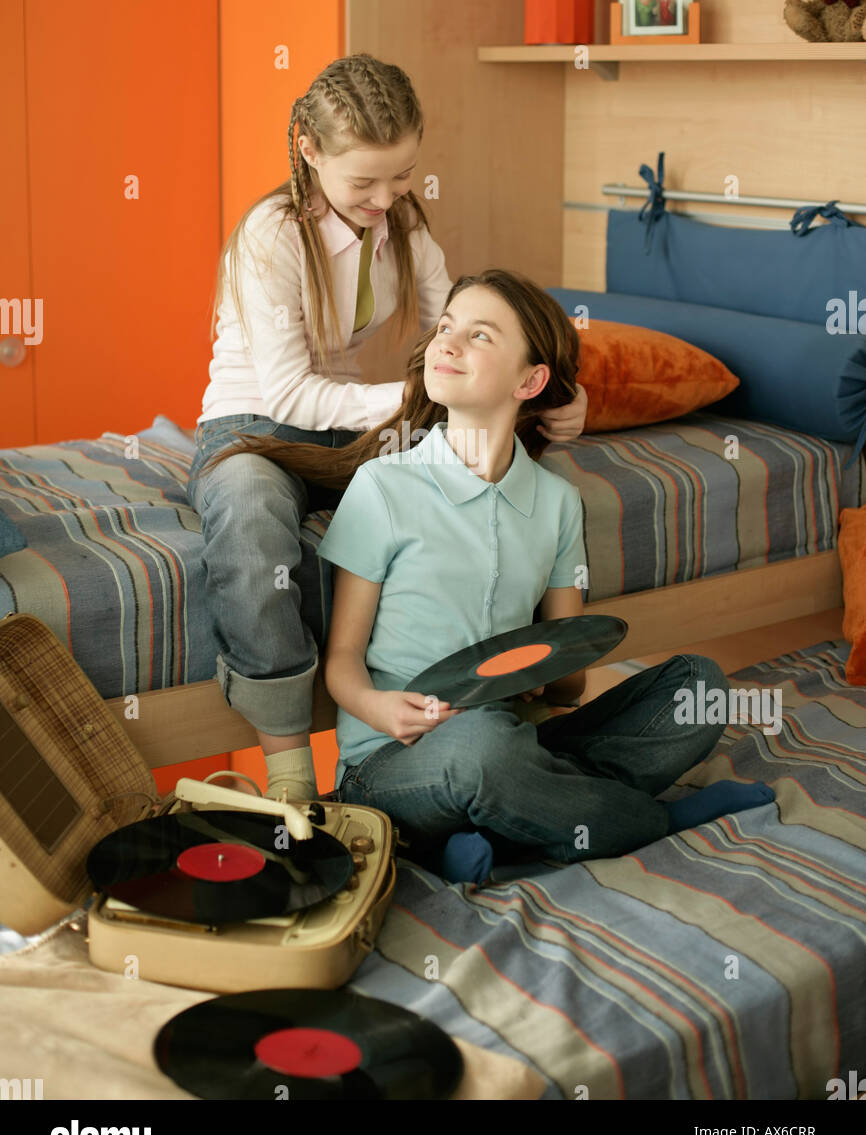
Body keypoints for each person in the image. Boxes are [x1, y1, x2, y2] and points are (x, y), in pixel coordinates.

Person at [204, 269, 775, 885]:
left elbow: (570, 680)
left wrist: (541, 676)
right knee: (482, 751)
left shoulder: (557, 502)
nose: (447, 343)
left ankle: (495, 830)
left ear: (530, 382)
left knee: (698, 685)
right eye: (446, 328)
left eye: (479, 335)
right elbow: (343, 660)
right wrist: (379, 708)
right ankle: (646, 821)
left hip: (508, 739)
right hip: (389, 762)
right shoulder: (383, 487)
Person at [188, 54, 588, 802]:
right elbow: (289, 394)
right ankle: (290, 776)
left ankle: (503, 703)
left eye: (401, 176)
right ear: (309, 149)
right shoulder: (272, 236)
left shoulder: (403, 226)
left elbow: (460, 323)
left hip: (342, 417)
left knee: (486, 466)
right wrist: (416, 395)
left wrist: (555, 399)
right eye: (364, 182)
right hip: (253, 425)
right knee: (250, 513)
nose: (385, 198)